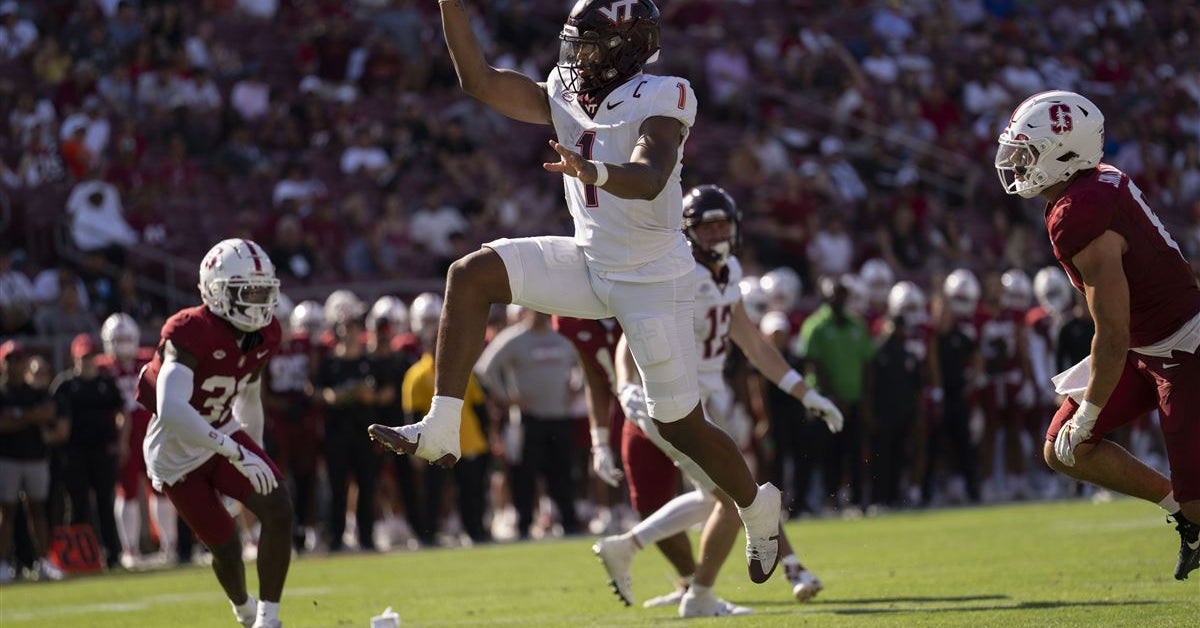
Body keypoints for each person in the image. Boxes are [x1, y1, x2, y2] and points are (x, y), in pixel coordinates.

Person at [368, 0, 785, 582]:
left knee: (678, 423)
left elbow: (650, 176)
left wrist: (593, 173)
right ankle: (441, 426)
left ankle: (757, 504)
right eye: (577, 43)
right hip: (589, 261)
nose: (579, 58)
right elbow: (478, 80)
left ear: (631, 48)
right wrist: (451, 9)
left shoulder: (667, 94)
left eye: (593, 46)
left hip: (652, 276)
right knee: (470, 275)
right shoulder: (566, 86)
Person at [592, 185, 841, 616]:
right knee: (736, 496)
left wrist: (806, 391)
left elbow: (755, 346)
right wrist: (626, 383)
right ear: (689, 232)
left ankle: (628, 548)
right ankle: (699, 595)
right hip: (669, 397)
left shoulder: (729, 273)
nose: (718, 234)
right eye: (708, 228)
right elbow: (634, 324)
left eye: (724, 224)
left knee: (717, 497)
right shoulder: (678, 269)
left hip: (699, 399)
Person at [995, 90, 1200, 580]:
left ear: (1064, 153)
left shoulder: (1079, 212)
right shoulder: (1093, 185)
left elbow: (1111, 332)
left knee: (1083, 438)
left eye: (1028, 151)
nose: (1017, 163)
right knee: (1062, 448)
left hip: (1183, 346)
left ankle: (1192, 513)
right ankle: (1183, 515)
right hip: (1144, 342)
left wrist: (1088, 414)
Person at [135, 239, 292, 627]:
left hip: (221, 428)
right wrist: (236, 453)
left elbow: (250, 397)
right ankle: (243, 608)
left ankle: (268, 621)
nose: (257, 301)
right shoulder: (191, 328)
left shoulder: (266, 333)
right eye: (247, 291)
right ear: (217, 291)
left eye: (262, 291)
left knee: (278, 507)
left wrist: (253, 452)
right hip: (174, 450)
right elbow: (172, 410)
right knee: (226, 545)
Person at [476, 308, 581, 539]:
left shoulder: (561, 338)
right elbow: (485, 370)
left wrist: (576, 387)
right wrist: (506, 396)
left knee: (563, 473)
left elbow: (582, 363)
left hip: (560, 416)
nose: (541, 315)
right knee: (525, 474)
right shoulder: (514, 338)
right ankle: (524, 524)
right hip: (529, 418)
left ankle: (569, 521)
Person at [97, 312, 177, 567]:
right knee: (127, 490)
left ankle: (169, 546)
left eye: (125, 339)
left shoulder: (148, 359)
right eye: (117, 340)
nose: (122, 345)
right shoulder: (103, 367)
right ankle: (129, 549)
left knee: (161, 489)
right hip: (124, 437)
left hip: (152, 432)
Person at [51, 333, 126, 571]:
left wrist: (121, 441)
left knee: (106, 502)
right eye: (84, 357)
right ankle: (78, 556)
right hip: (74, 453)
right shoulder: (64, 385)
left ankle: (112, 554)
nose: (88, 361)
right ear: (75, 358)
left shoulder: (105, 383)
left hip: (102, 452)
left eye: (91, 356)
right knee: (77, 503)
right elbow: (52, 416)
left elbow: (122, 412)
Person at [0, 340, 65, 582]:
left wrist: (17, 415)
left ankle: (45, 561)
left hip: (35, 458)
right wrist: (30, 417)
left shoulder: (35, 392)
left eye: (18, 360)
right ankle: (4, 563)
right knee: (6, 512)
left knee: (38, 510)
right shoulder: (2, 393)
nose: (15, 365)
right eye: (10, 361)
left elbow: (47, 413)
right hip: (8, 460)